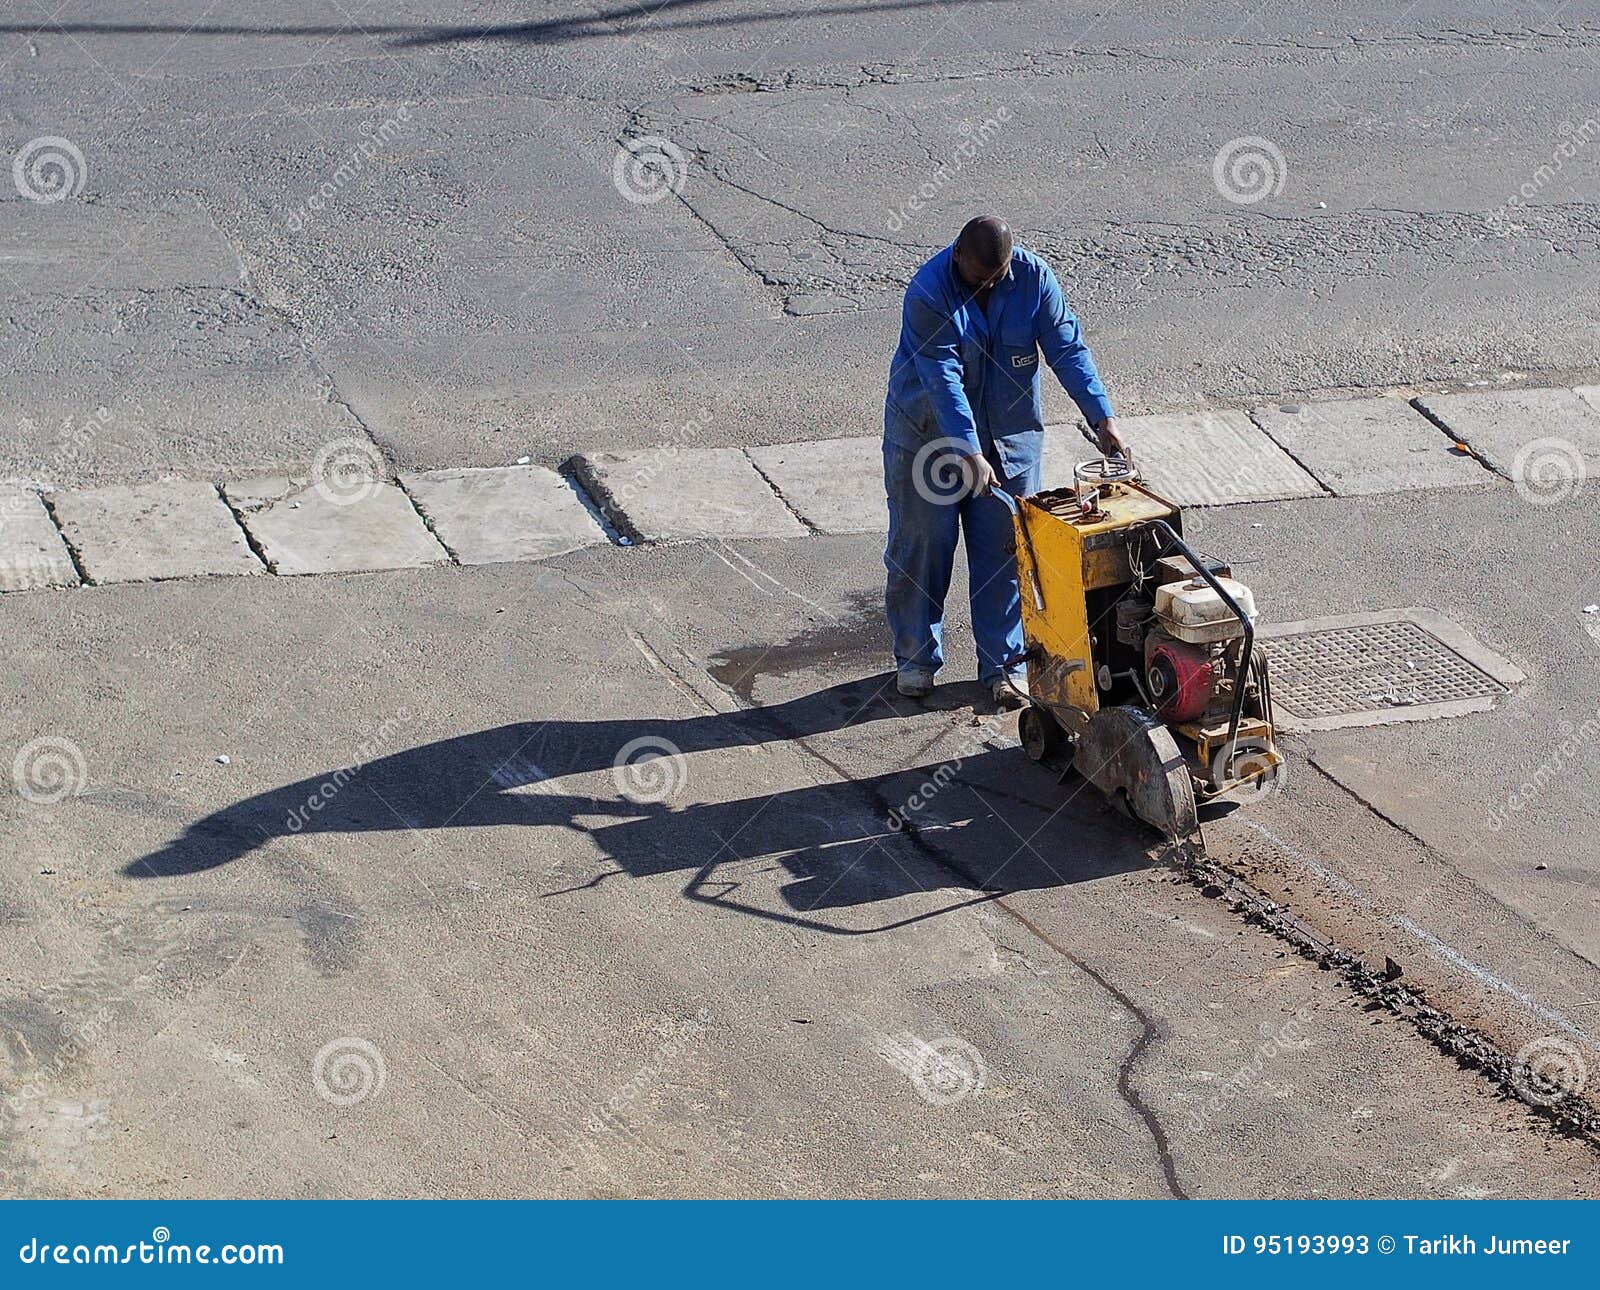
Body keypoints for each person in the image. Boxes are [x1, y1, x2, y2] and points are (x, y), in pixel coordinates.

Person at [882, 215, 1123, 706]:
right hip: (930, 439)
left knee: (1005, 554)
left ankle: (1003, 666)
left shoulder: (1034, 279)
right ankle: (916, 660)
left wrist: (1102, 418)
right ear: (958, 259)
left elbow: (1067, 348)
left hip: (1011, 439)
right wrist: (969, 450)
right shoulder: (928, 292)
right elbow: (943, 378)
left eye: (998, 276)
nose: (990, 285)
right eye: (979, 278)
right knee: (924, 546)